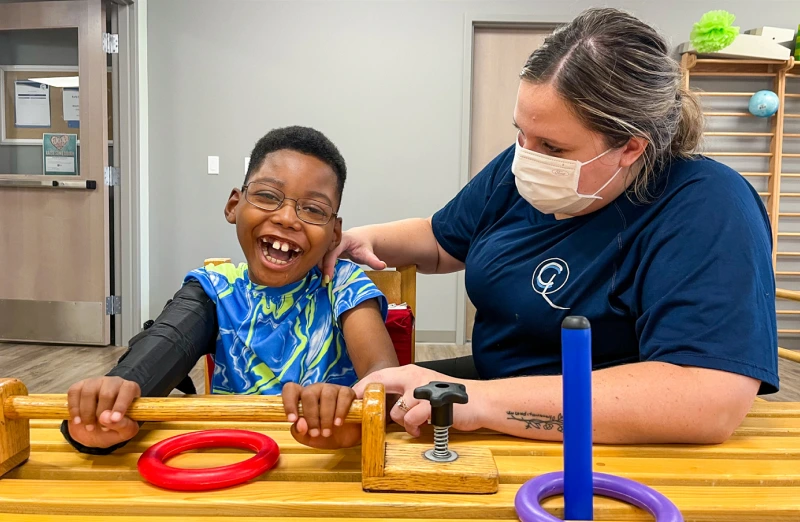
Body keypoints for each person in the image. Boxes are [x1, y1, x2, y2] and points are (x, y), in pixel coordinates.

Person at [325, 7, 779, 445]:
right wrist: (363, 238)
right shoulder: (523, 165)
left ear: (631, 148)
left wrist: (480, 401)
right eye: (521, 133)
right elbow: (443, 241)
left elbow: (707, 400)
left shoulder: (707, 207)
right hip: (495, 384)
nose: (528, 156)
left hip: (615, 430)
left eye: (553, 147)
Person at [62, 126, 399, 453]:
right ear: (234, 206)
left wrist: (351, 417)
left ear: (335, 234)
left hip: (329, 467)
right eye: (267, 196)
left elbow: (383, 374)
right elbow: (163, 347)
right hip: (230, 462)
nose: (286, 218)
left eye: (313, 209)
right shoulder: (214, 289)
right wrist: (108, 409)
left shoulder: (341, 285)